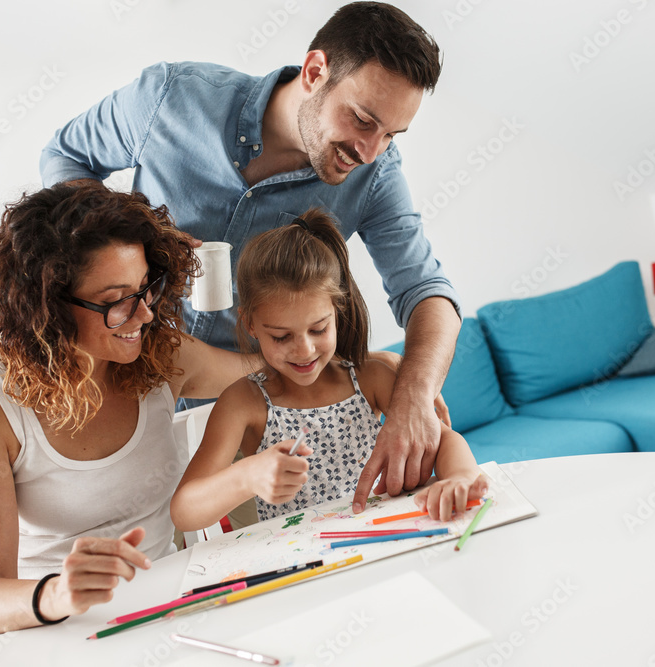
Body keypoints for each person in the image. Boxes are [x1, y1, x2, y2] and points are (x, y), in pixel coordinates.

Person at [39, 2, 462, 513]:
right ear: (314, 72)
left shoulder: (375, 174)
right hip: (121, 388)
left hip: (245, 419)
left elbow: (426, 291)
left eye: (391, 134)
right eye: (363, 120)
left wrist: (414, 397)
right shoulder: (171, 97)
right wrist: (136, 230)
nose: (370, 151)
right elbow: (64, 154)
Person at [0, 184, 254, 653]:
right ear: (48, 308)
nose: (146, 314)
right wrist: (59, 593)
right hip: (30, 640)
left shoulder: (165, 358)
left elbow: (275, 375)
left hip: (149, 626)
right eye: (117, 299)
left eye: (146, 286)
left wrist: (385, 367)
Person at [170, 209, 486, 531]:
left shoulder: (372, 379)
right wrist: (247, 476)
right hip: (302, 568)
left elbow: (443, 440)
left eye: (318, 329)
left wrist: (461, 477)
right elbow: (184, 510)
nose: (304, 350)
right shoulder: (242, 403)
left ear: (337, 311)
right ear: (250, 324)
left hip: (382, 541)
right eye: (281, 336)